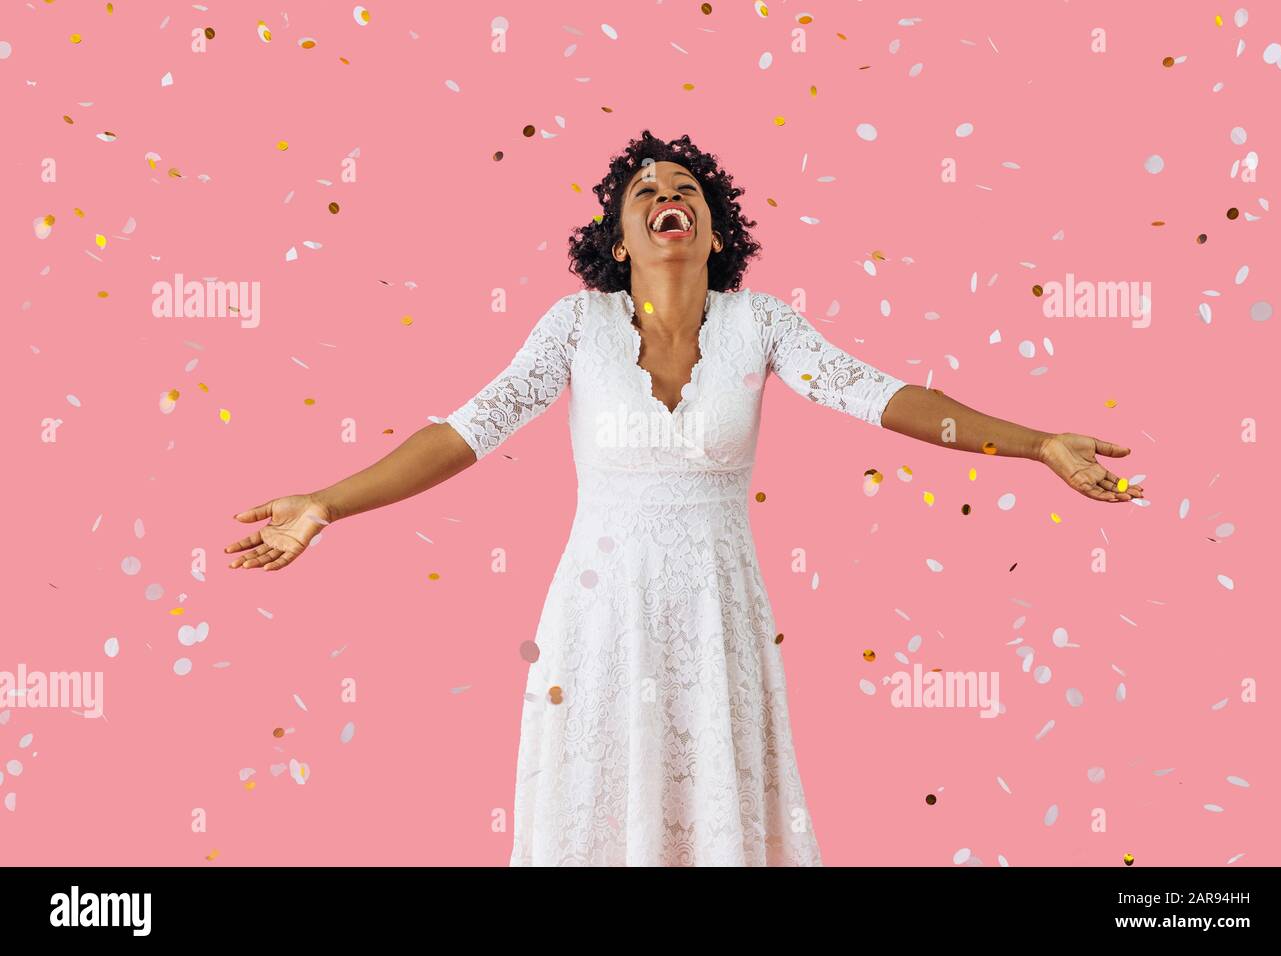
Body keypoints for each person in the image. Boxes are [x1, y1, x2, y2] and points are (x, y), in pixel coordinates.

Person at [225, 131, 1144, 866]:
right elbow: (464, 430)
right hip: (600, 617)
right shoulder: (576, 327)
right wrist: (327, 503)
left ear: (714, 229)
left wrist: (1036, 446)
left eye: (689, 191)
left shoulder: (761, 323)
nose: (671, 196)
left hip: (717, 614)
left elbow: (888, 397)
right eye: (647, 191)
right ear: (619, 239)